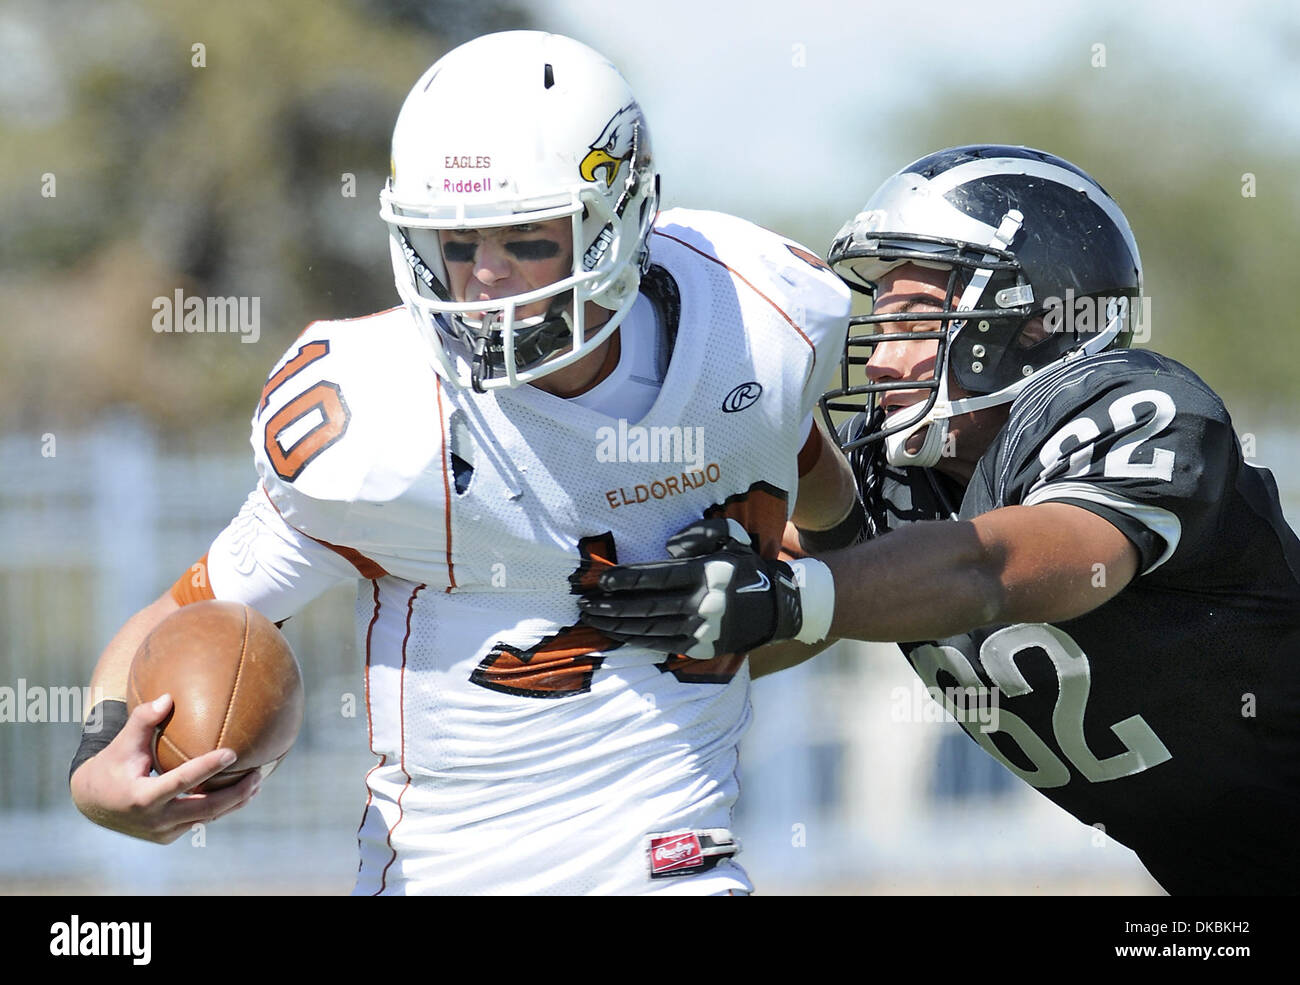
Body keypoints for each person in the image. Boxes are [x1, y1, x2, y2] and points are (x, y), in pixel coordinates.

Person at [68, 31, 858, 895]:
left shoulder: (757, 326)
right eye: (456, 242)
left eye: (524, 239)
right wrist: (94, 769)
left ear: (617, 219)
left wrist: (787, 603)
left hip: (673, 868)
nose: (485, 278)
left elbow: (832, 524)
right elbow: (186, 611)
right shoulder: (373, 419)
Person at [577, 145, 1300, 895]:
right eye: (880, 321)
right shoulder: (895, 475)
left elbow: (993, 568)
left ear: (1033, 322)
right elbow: (763, 619)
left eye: (915, 319)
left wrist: (788, 594)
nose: (883, 361)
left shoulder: (1138, 408)